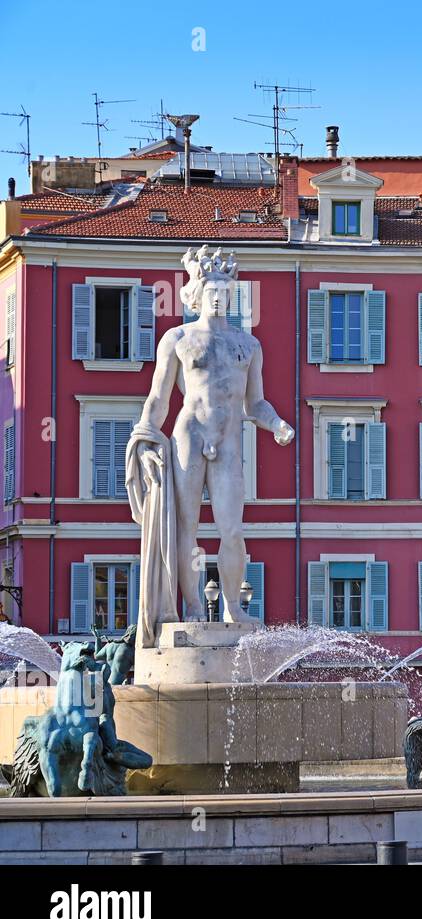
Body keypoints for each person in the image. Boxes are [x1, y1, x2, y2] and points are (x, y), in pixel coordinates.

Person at [129, 247, 293, 631]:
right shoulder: (177, 338)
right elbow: (158, 397)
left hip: (229, 440)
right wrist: (147, 437)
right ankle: (195, 610)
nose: (219, 297)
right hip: (189, 434)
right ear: (197, 294)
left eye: (226, 291)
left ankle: (232, 606)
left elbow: (256, 403)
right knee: (186, 526)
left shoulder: (249, 346)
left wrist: (278, 424)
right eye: (212, 290)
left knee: (232, 528)